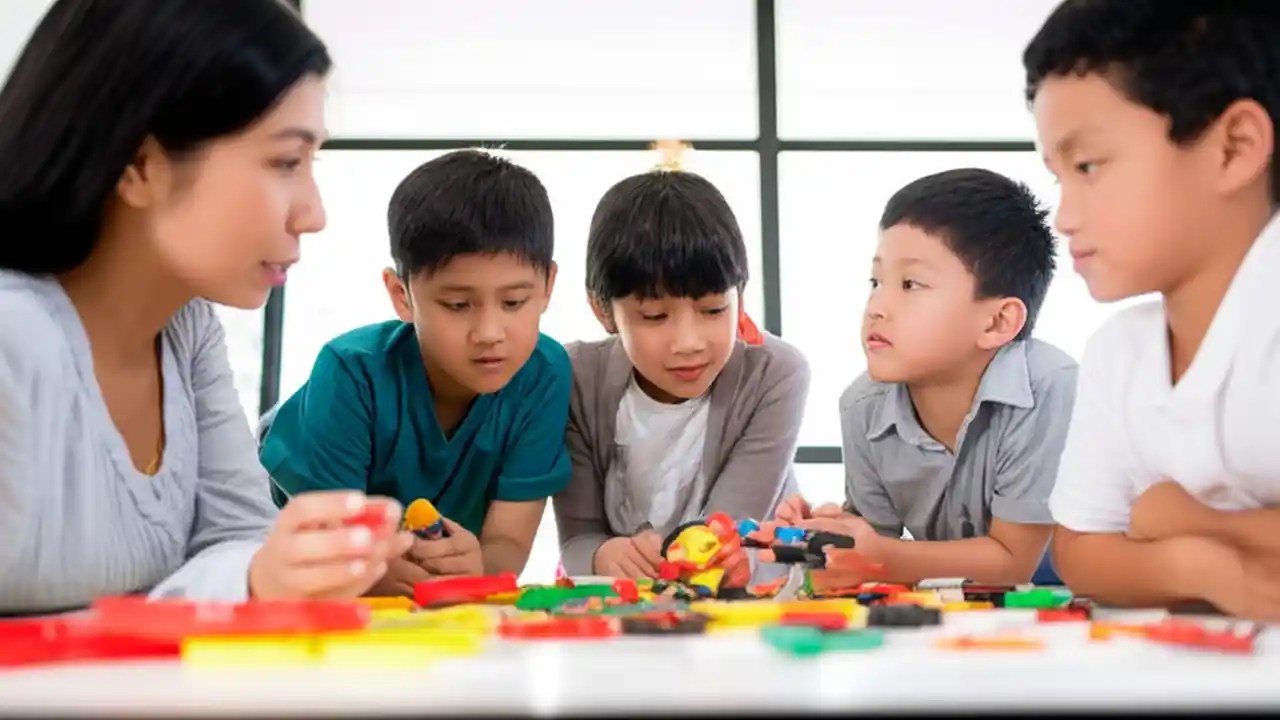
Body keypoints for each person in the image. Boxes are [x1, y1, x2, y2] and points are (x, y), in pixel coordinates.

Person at [0, 0, 408, 615]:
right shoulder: (13, 337)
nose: (314, 213)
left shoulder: (185, 329)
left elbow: (236, 538)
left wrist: (273, 573)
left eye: (311, 163)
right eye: (286, 162)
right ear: (139, 165)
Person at [1025, 0, 1280, 617]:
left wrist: (1177, 517)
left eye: (1088, 166)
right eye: (1059, 178)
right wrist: (1206, 565)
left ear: (1233, 149)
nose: (1064, 218)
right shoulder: (1120, 350)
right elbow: (1081, 550)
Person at [259, 150, 569, 595]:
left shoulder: (544, 374)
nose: (489, 333)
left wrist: (478, 567)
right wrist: (374, 570)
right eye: (457, 305)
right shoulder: (351, 371)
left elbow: (507, 546)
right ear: (401, 295)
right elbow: (323, 549)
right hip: (291, 535)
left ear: (548, 287)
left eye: (514, 302)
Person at [775, 168, 1076, 586]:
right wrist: (830, 537)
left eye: (910, 284)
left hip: (1069, 597)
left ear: (997, 321)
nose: (877, 306)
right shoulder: (862, 406)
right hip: (959, 606)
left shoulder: (1047, 387)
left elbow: (1013, 563)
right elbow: (876, 551)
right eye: (876, 281)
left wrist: (880, 557)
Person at [553, 165, 809, 581]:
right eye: (655, 316)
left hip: (750, 598)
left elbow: (725, 533)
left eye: (713, 310)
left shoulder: (774, 374)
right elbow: (578, 539)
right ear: (602, 309)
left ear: (740, 296)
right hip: (634, 602)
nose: (688, 342)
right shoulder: (576, 378)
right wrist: (603, 555)